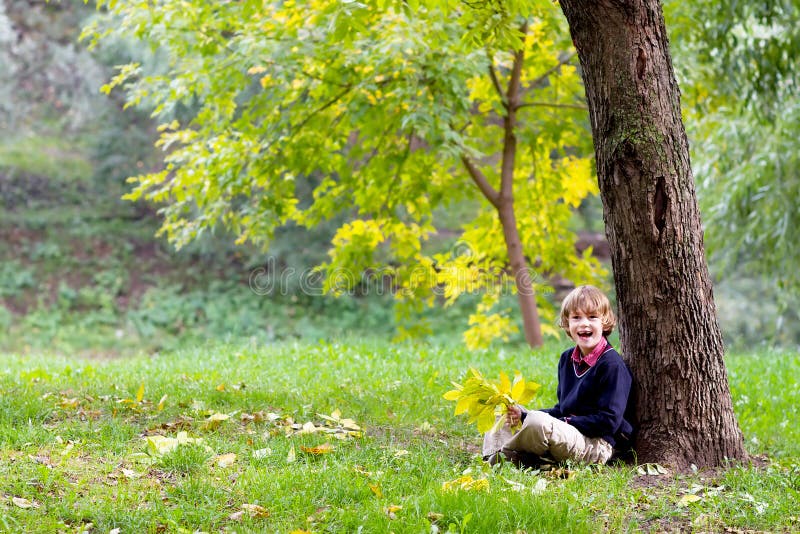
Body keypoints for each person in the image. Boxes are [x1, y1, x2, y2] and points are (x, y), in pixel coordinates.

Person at [482, 285, 635, 467]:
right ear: (567, 324)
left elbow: (609, 422)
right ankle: (496, 457)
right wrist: (523, 415)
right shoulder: (566, 359)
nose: (584, 323)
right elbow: (561, 410)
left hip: (596, 445)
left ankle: (507, 457)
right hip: (567, 434)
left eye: (592, 317)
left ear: (605, 322)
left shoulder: (611, 365)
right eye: (576, 317)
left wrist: (561, 421)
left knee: (538, 423)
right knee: (505, 410)